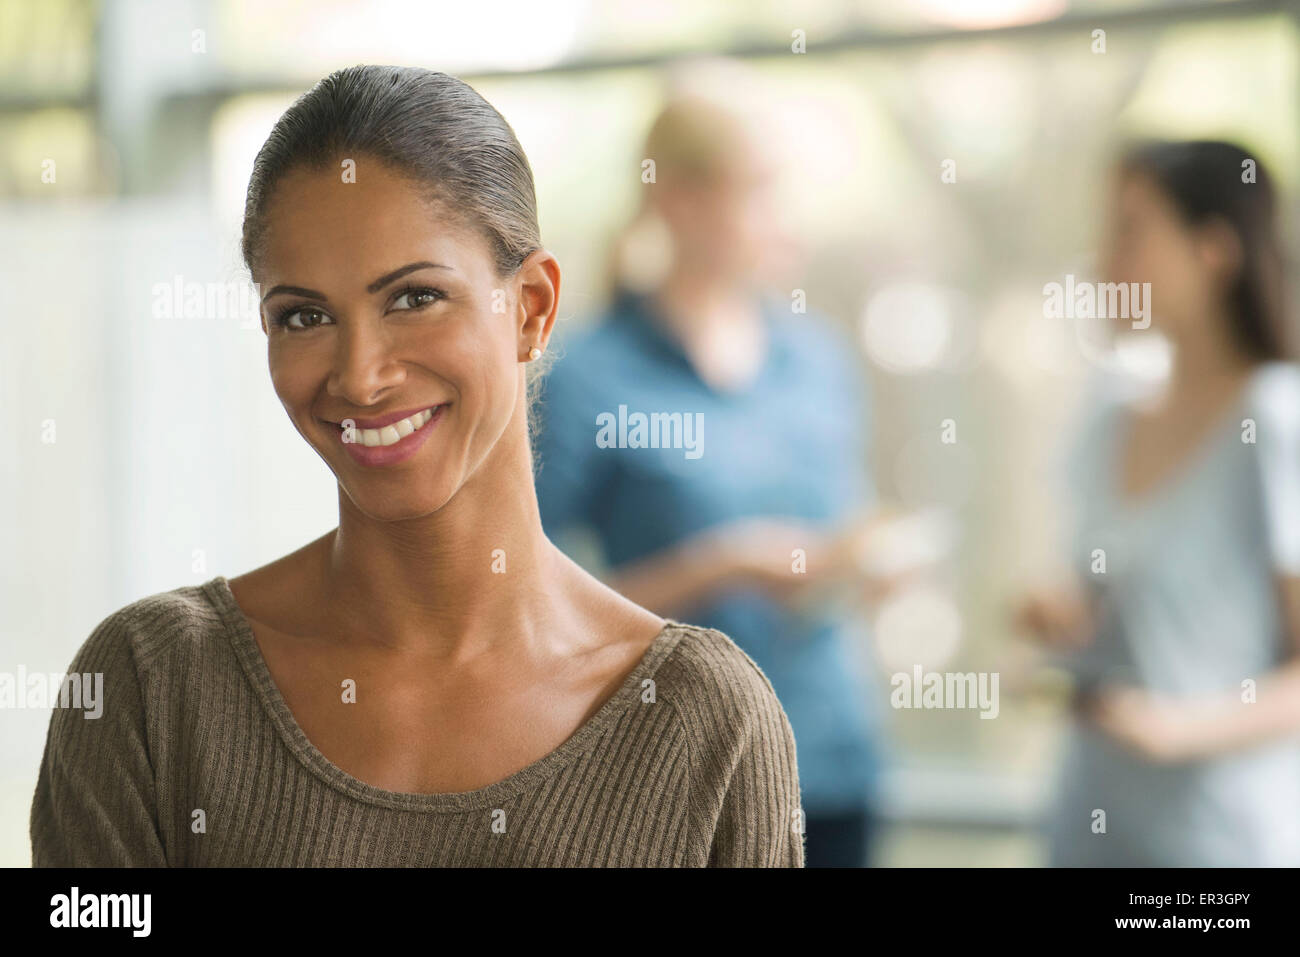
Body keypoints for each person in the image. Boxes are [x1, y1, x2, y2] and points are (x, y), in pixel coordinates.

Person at [30, 65, 803, 867]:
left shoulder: (706, 724)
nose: (359, 376)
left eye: (413, 298)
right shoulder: (152, 689)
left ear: (530, 309)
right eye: (304, 316)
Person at [534, 88, 888, 867]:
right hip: (676, 774)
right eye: (757, 189)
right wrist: (719, 568)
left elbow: (843, 527)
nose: (779, 216)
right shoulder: (590, 374)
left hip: (830, 759)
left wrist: (865, 566)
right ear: (679, 200)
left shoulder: (817, 361)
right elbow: (534, 593)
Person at [1017, 140, 1300, 866]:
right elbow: (1107, 595)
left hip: (1214, 843)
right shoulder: (1110, 409)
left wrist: (1181, 726)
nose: (1105, 257)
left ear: (1214, 251)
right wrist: (1061, 614)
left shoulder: (1271, 420)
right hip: (1087, 822)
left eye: (1131, 228)